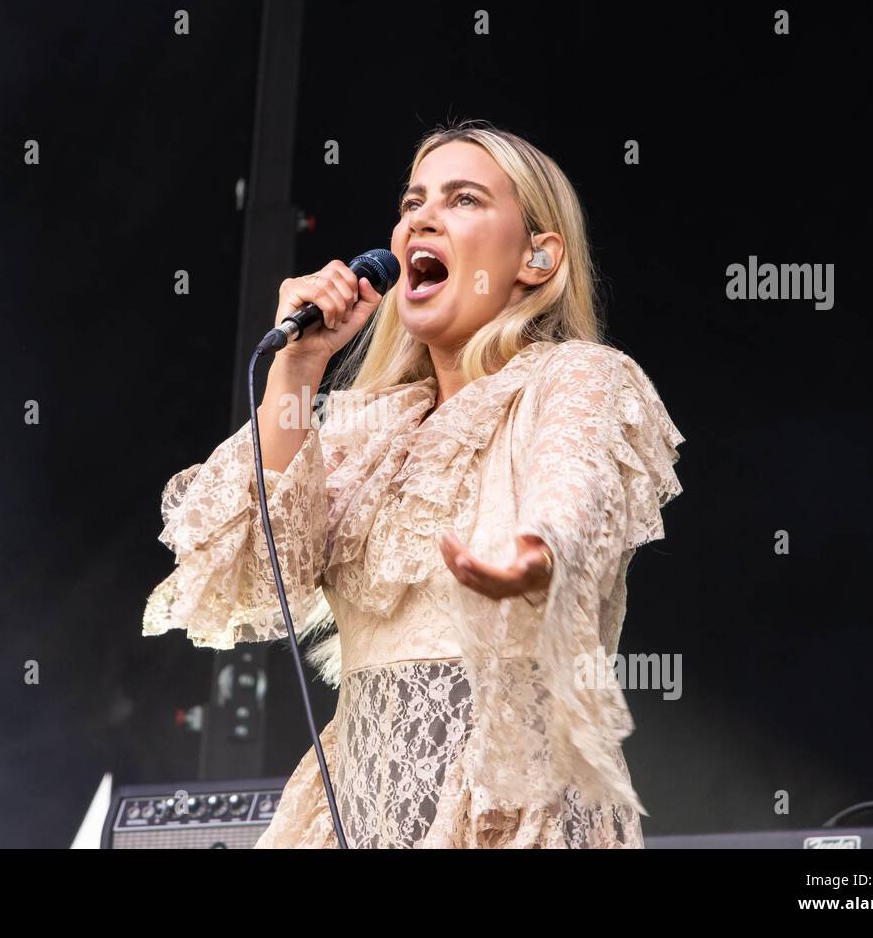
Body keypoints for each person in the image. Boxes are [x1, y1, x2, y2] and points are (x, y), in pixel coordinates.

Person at [142, 119, 685, 848]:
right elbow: (250, 566)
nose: (421, 217)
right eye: (411, 204)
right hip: (356, 813)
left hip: (507, 807)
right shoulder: (366, 433)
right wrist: (298, 369)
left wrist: (536, 554)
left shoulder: (573, 378)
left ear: (537, 257)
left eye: (462, 199)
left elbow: (574, 491)